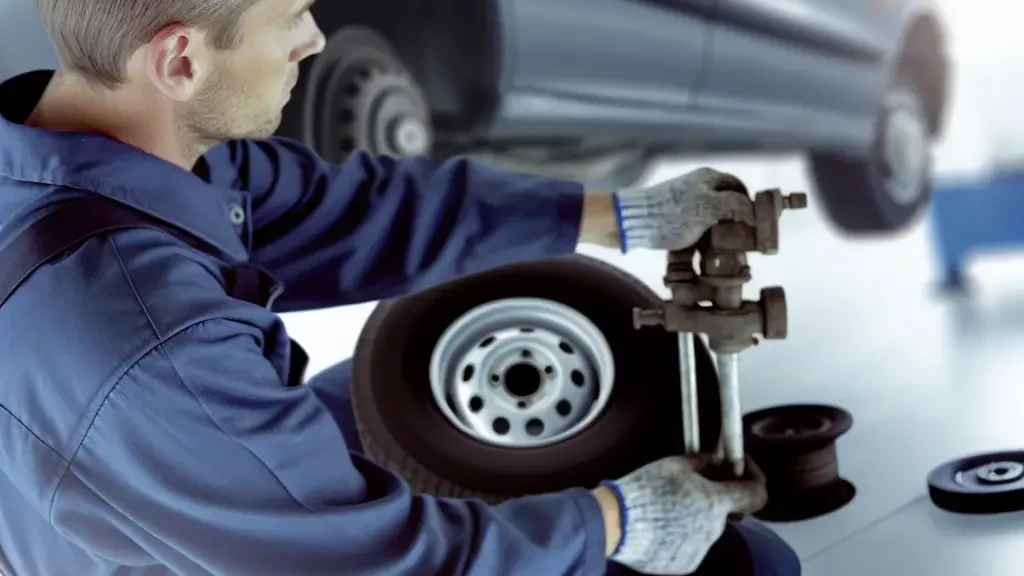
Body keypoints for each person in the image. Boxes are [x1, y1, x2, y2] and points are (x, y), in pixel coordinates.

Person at [0, 1, 801, 575]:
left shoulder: (95, 155)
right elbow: (377, 562)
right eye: (291, 18)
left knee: (373, 395)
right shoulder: (146, 340)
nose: (315, 40)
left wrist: (614, 215)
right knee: (753, 565)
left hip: (124, 482)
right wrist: (620, 523)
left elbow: (353, 211)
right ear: (180, 62)